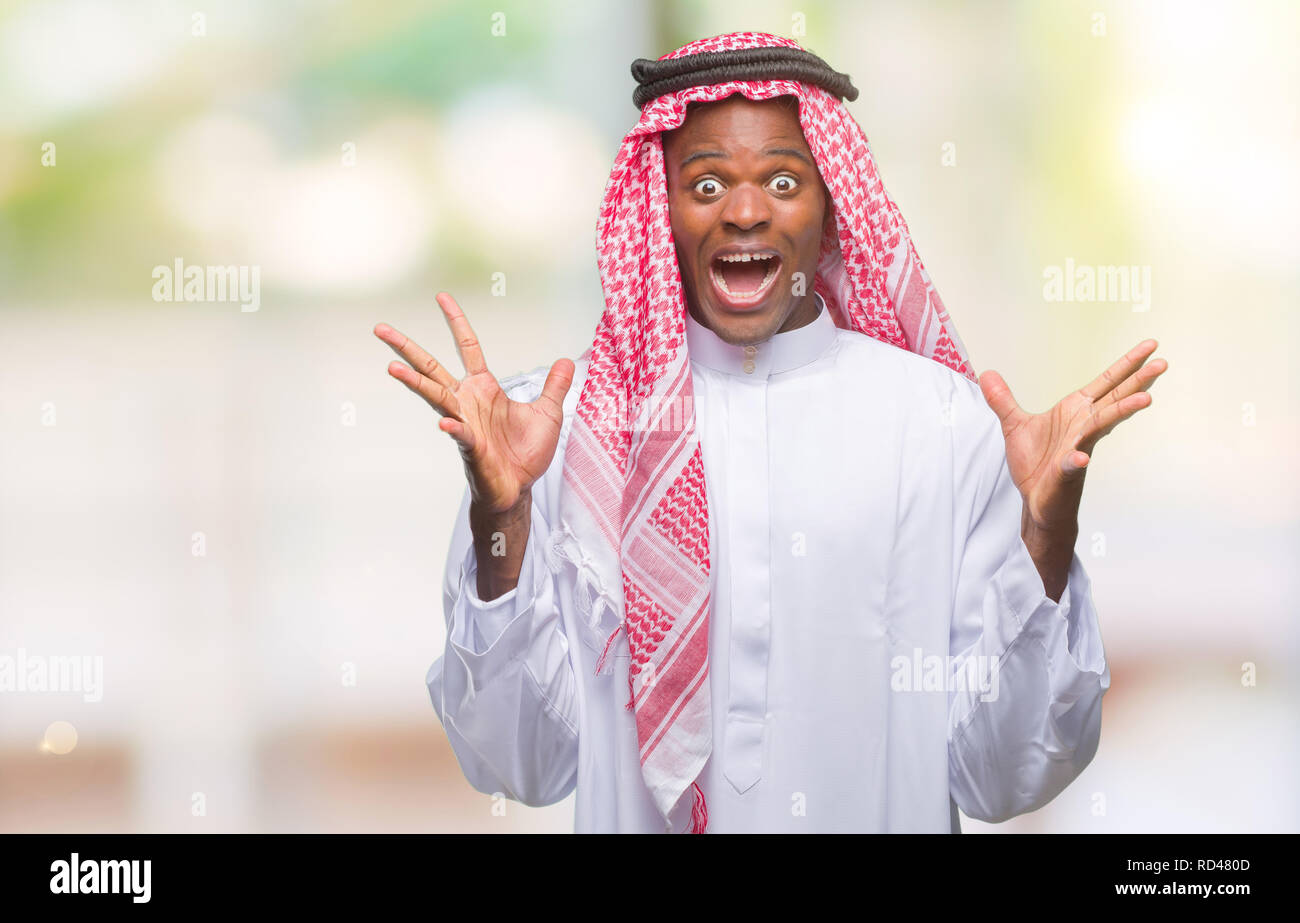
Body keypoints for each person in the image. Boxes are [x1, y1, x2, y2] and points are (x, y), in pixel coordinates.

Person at [374, 32, 1167, 833]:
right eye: (707, 183)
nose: (745, 211)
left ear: (829, 213)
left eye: (782, 181)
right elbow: (523, 766)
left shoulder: (943, 422)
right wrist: (501, 519)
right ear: (660, 213)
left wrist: (1046, 534)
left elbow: (1003, 777)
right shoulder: (566, 433)